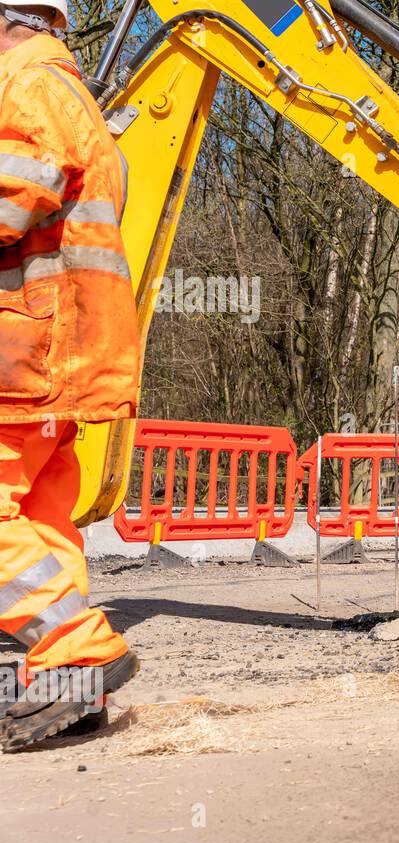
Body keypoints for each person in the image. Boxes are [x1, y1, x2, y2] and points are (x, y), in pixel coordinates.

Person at [0, 0, 139, 749]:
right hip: (52, 357)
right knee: (41, 519)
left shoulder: (26, 81)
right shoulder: (63, 90)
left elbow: (14, 197)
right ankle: (62, 682)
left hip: (24, 351)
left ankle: (78, 649)